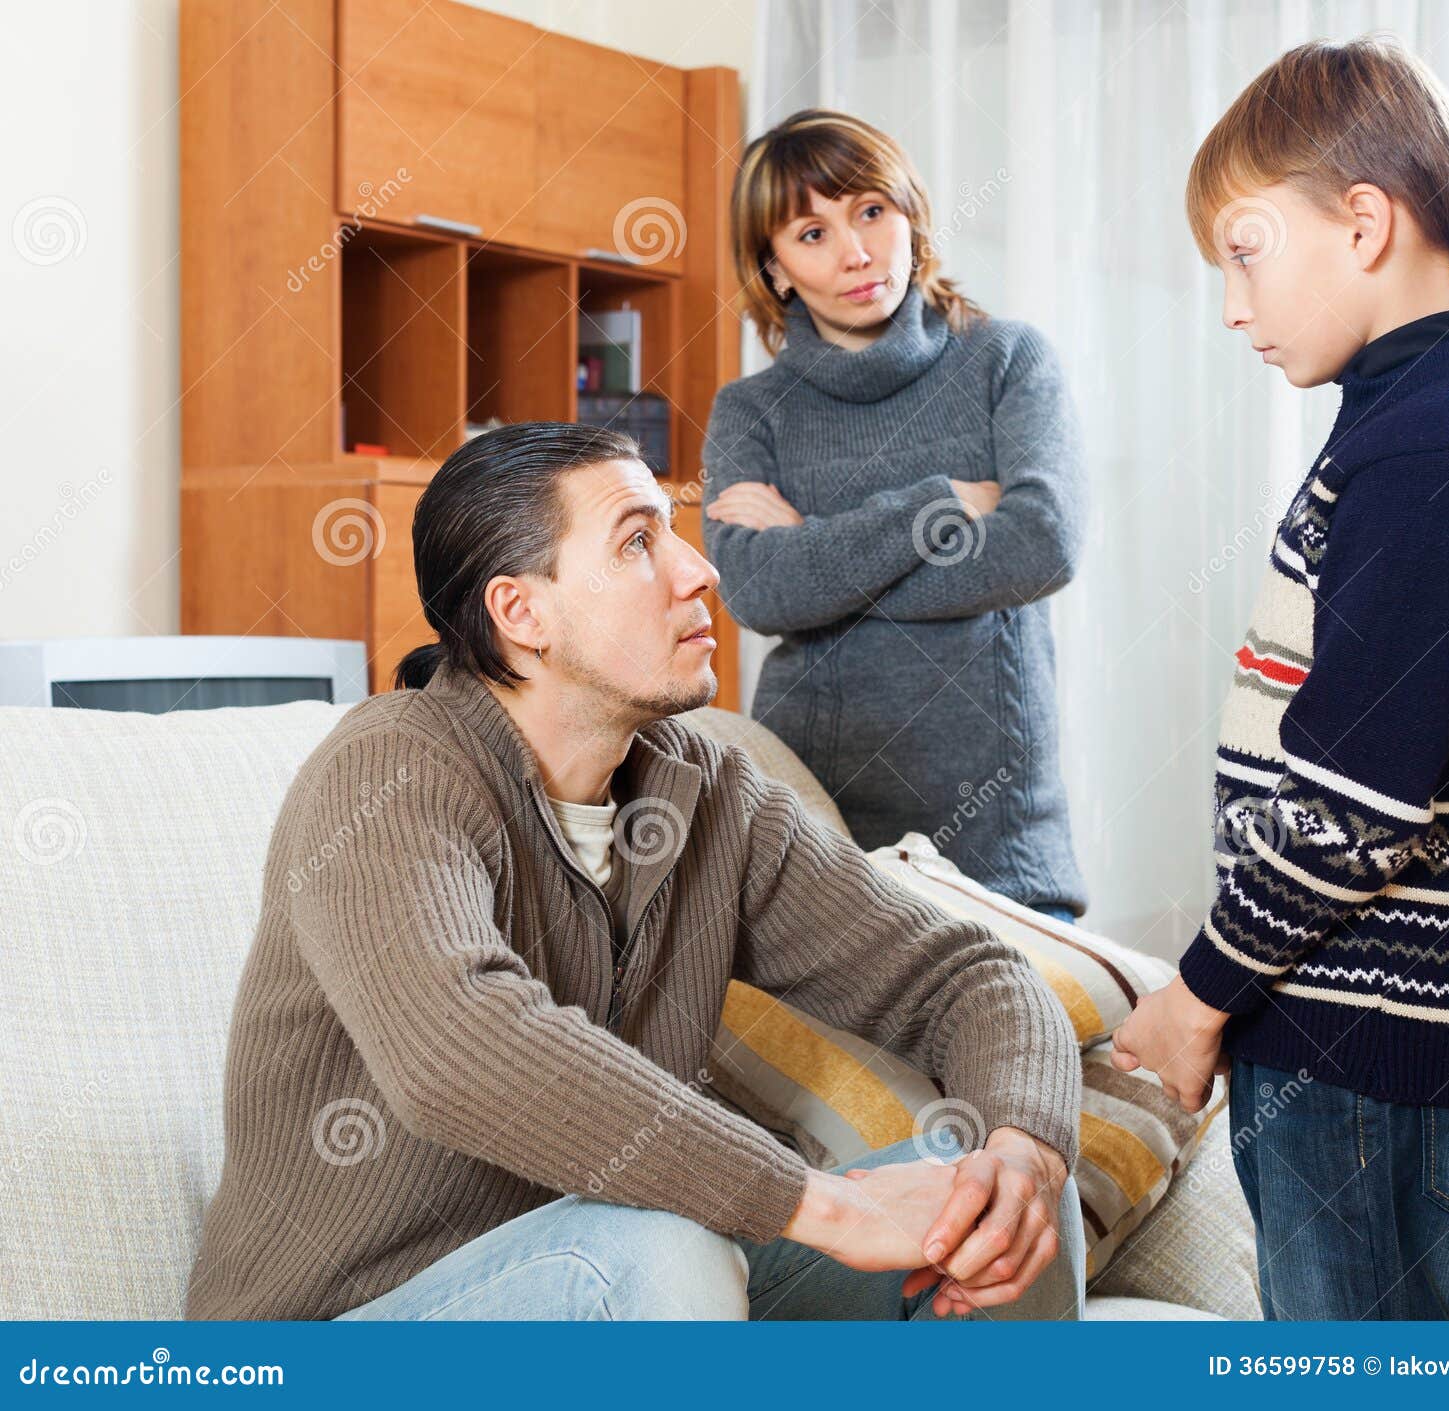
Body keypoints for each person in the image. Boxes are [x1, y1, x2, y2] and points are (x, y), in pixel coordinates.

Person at [184, 421, 1086, 1322]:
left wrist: (1023, 1149)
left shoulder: (708, 795)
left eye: (676, 533)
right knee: (662, 1241)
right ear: (520, 613)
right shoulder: (390, 771)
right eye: (639, 542)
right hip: (343, 1330)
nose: (701, 572)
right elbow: (460, 1051)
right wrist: (823, 1205)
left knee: (998, 1211)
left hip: (612, 1281)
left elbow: (970, 976)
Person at [1110, 38, 1449, 1321]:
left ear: (1363, 222)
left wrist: (1198, 996)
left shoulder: (1430, 455)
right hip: (1357, 1023)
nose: (1231, 308)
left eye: (1243, 255)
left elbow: (1360, 806)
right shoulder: (1421, 419)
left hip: (1357, 1039)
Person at [702, 109, 1089, 925]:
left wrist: (816, 551)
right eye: (812, 233)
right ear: (774, 270)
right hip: (813, 820)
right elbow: (761, 596)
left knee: (1025, 1048)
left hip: (997, 833)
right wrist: (935, 501)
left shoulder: (1005, 360)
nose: (855, 251)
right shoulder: (750, 412)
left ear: (909, 213)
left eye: (871, 211)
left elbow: (1041, 546)